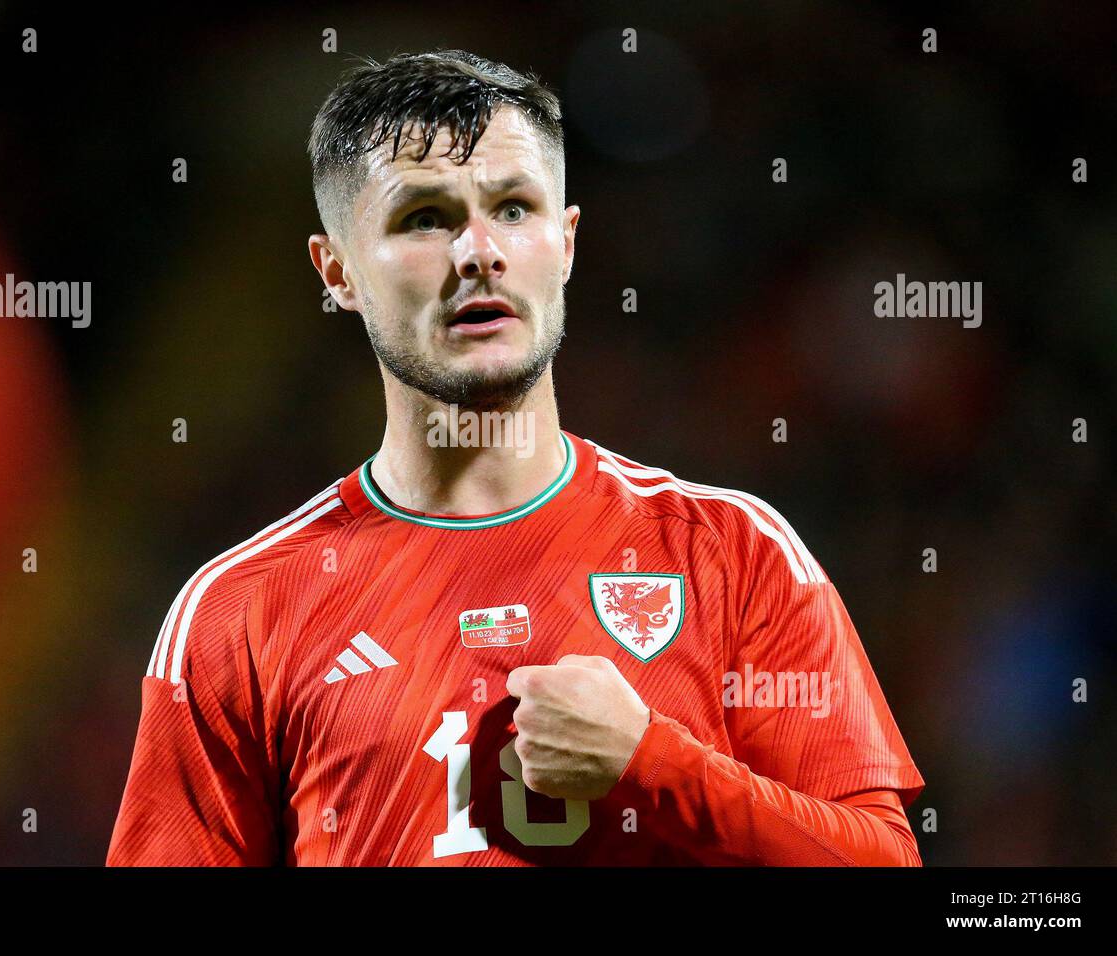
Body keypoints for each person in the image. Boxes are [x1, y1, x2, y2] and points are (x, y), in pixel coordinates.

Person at [107, 49, 924, 866]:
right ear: (338, 272)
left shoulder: (737, 555)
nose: (478, 252)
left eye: (514, 208)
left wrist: (653, 764)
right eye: (424, 217)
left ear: (565, 244)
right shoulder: (237, 614)